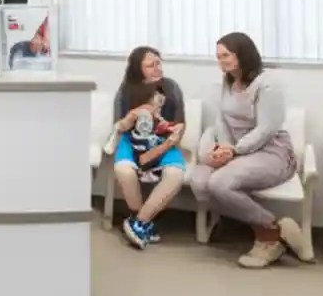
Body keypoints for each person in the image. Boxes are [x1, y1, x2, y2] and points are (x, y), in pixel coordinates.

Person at [190, 32, 311, 268]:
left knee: (219, 184)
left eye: (225, 55)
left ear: (242, 54)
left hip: (272, 152)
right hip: (236, 151)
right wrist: (223, 147)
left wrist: (234, 151)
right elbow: (222, 121)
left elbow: (267, 128)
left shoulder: (267, 84)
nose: (221, 61)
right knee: (199, 182)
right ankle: (275, 228)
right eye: (218, 56)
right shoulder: (226, 82)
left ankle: (267, 239)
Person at [111, 46, 187, 247]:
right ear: (138, 68)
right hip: (132, 140)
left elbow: (180, 122)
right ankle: (142, 222)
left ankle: (139, 222)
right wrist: (133, 115)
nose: (157, 68)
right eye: (150, 65)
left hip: (163, 142)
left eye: (159, 63)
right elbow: (119, 126)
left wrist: (174, 133)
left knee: (175, 174)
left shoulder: (171, 87)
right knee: (123, 170)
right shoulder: (125, 90)